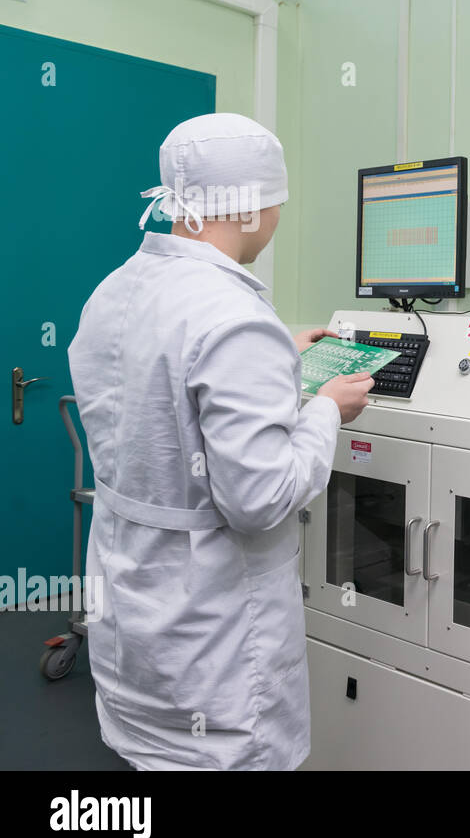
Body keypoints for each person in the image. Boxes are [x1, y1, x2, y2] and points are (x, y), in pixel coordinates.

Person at [67, 113, 373, 769]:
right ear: (254, 204)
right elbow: (258, 499)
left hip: (132, 616)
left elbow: (165, 393)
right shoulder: (235, 317)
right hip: (214, 642)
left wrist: (277, 363)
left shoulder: (115, 292)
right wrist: (325, 410)